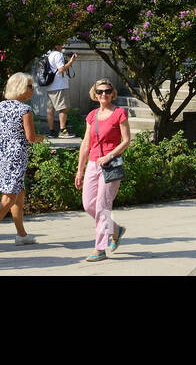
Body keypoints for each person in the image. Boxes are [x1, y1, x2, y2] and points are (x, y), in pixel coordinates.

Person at [0, 72, 48, 251]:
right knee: (9, 197)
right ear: (22, 88)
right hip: (16, 156)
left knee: (19, 193)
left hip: (1, 154)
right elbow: (30, 137)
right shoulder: (25, 110)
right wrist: (42, 138)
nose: (33, 89)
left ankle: (21, 235)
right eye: (30, 86)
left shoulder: (1, 107)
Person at [75, 79, 131, 262]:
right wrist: (79, 170)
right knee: (89, 205)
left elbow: (126, 140)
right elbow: (86, 143)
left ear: (112, 93)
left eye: (107, 91)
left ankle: (100, 249)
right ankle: (116, 230)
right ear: (95, 94)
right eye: (100, 92)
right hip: (92, 163)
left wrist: (109, 155)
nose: (103, 95)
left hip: (110, 164)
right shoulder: (92, 115)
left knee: (102, 206)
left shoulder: (119, 113)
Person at [43, 42, 78, 138]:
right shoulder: (58, 54)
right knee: (63, 108)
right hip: (59, 85)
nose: (62, 45)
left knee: (50, 109)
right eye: (60, 43)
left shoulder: (47, 54)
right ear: (55, 45)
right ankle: (63, 130)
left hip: (50, 85)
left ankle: (51, 131)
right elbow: (61, 69)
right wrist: (71, 61)